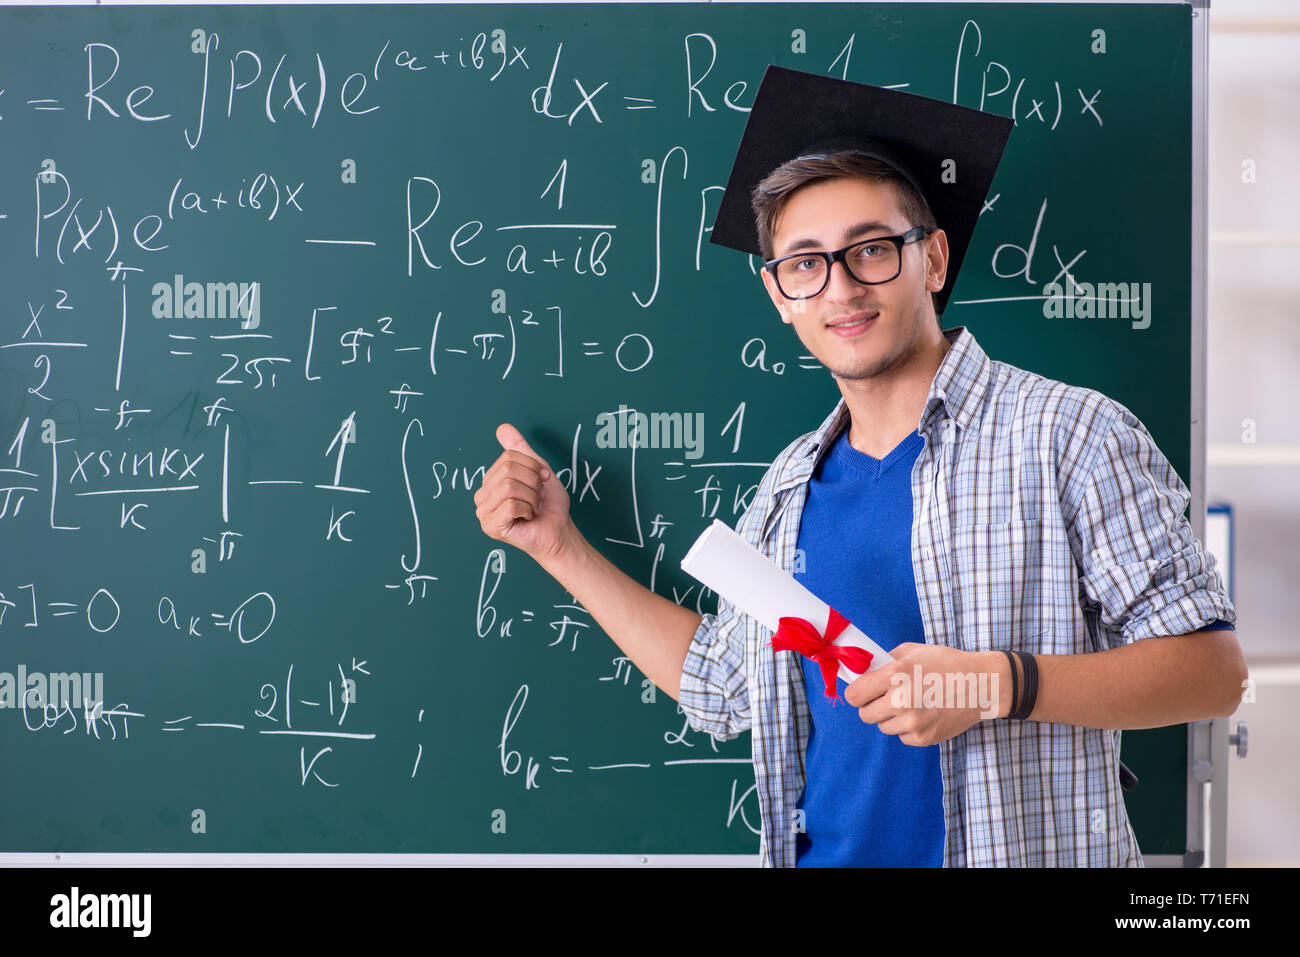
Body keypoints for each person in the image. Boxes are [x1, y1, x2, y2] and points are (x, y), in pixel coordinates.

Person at [473, 66, 1245, 867]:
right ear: (780, 294)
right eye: (804, 264)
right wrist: (559, 546)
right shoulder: (787, 490)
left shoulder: (1068, 434)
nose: (840, 286)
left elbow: (1211, 673)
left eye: (871, 249)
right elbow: (721, 683)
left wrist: (995, 683)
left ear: (934, 258)